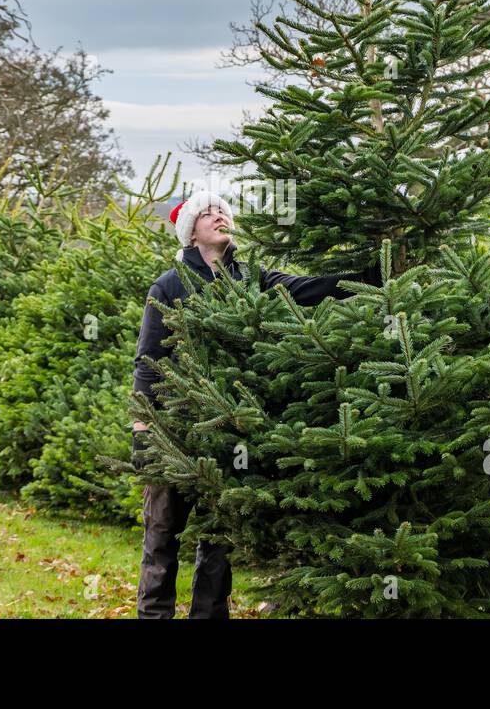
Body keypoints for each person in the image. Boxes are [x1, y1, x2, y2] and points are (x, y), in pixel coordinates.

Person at [131, 189, 376, 619]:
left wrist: (371, 275)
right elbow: (148, 361)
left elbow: (309, 289)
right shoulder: (168, 286)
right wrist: (143, 429)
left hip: (229, 431)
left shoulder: (251, 277)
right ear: (190, 233)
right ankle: (154, 614)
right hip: (174, 430)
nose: (218, 216)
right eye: (207, 213)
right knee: (163, 532)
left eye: (223, 210)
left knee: (220, 536)